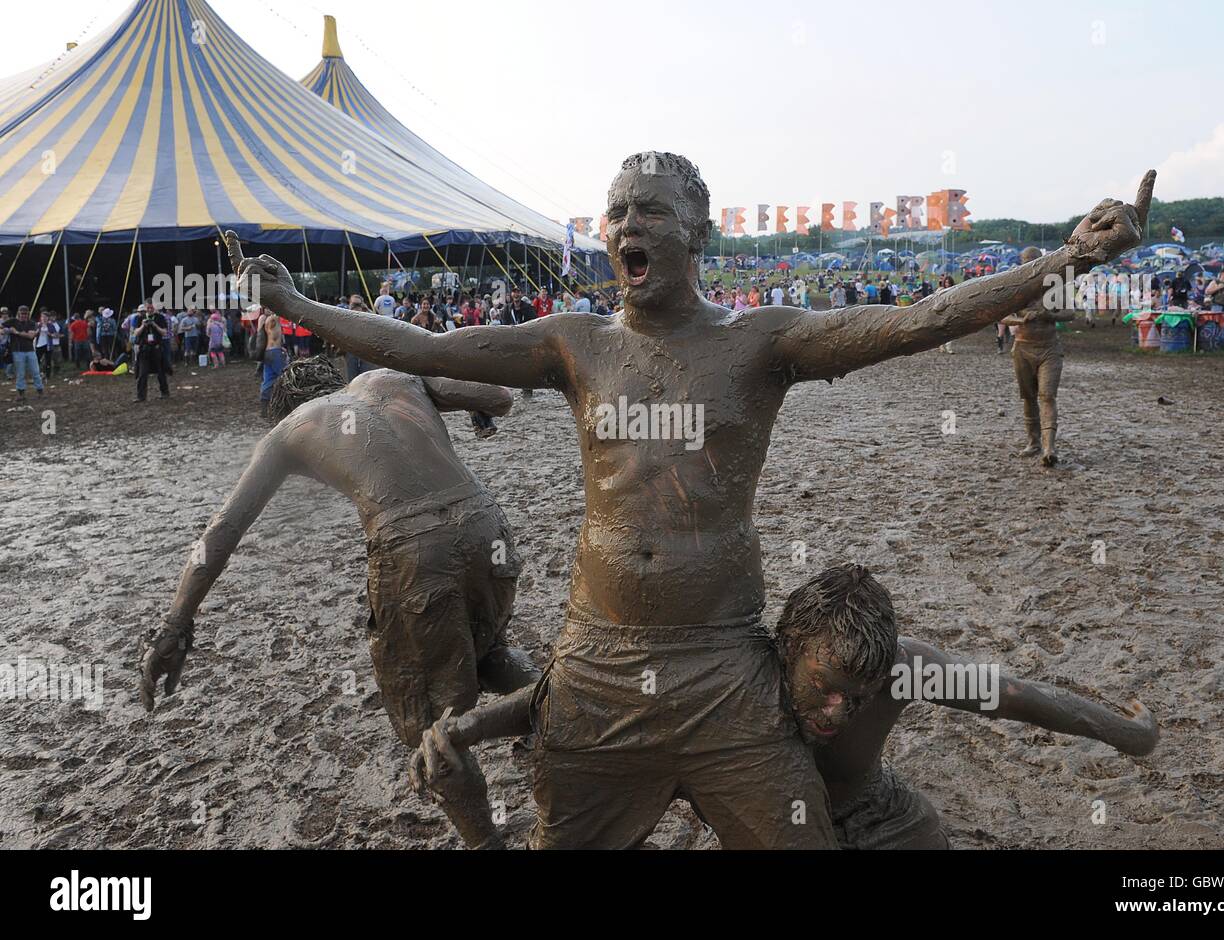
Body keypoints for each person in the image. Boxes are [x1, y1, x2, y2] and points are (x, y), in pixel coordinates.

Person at [226, 154, 1153, 849]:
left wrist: (1063, 259)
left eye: (653, 212)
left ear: (697, 232)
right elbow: (421, 348)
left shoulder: (764, 341)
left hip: (723, 662)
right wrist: (302, 303)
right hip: (596, 666)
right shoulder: (572, 342)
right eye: (618, 211)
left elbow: (914, 321)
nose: (630, 225)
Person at [413, 565, 1158, 850]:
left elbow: (1015, 697)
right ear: (789, 646)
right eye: (825, 686)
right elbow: (574, 700)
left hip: (880, 819)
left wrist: (1124, 733)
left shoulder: (904, 672)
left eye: (857, 696)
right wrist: (471, 725)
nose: (836, 710)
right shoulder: (737, 670)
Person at [138, 357, 533, 757]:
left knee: (427, 724)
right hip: (485, 521)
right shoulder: (389, 378)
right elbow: (497, 397)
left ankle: (483, 816)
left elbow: (220, 533)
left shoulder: (289, 429)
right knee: (487, 652)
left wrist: (174, 626)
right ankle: (552, 714)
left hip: (414, 546)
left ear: (286, 407)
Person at [1000, 247, 1075, 467]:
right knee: (1028, 397)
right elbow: (1002, 316)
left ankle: (1049, 447)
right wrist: (1020, 321)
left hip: (1049, 348)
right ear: (1021, 263)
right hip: (1023, 348)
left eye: (1034, 260)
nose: (1030, 264)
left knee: (1047, 395)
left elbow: (1071, 313)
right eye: (1026, 261)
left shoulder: (1055, 284)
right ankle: (1033, 442)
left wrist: (1049, 315)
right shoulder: (1015, 288)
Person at [4, 305, 45, 399]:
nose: (24, 315)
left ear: (28, 314)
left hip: (30, 350)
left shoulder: (31, 323)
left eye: (25, 314)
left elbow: (31, 336)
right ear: (18, 313)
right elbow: (2, 327)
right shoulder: (13, 321)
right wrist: (5, 330)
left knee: (35, 372)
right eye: (22, 313)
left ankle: (40, 391)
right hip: (17, 351)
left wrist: (16, 332)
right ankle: (21, 394)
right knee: (20, 373)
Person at [132, 305, 170, 401]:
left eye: (151, 308)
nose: (149, 310)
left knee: (161, 372)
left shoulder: (160, 318)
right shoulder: (139, 318)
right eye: (147, 308)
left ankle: (165, 393)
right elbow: (136, 333)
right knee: (142, 373)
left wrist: (155, 325)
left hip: (156, 348)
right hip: (144, 349)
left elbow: (164, 332)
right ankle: (141, 396)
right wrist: (143, 326)